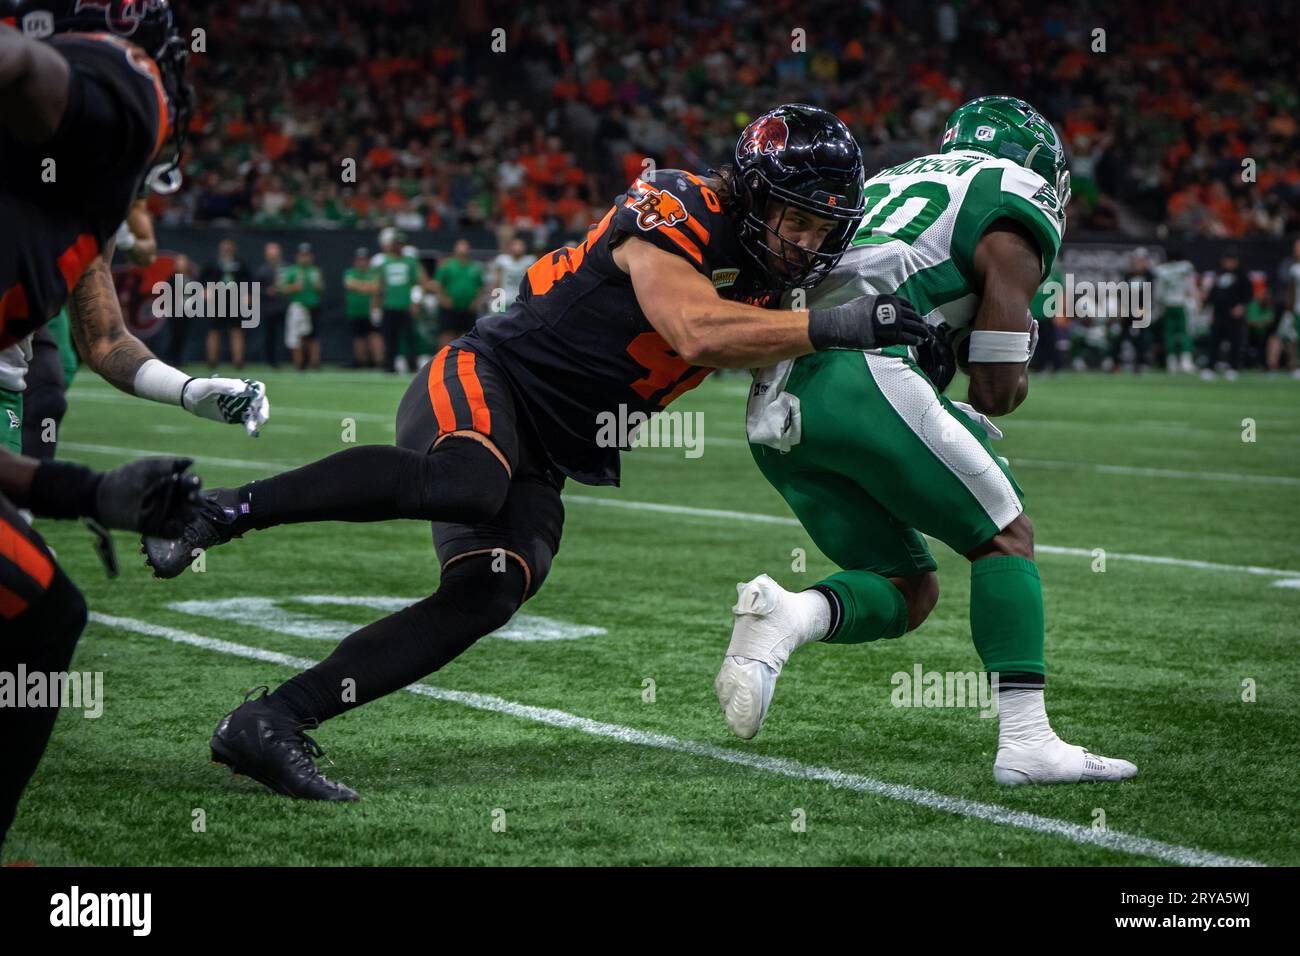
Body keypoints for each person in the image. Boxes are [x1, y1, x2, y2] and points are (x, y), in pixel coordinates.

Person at [143, 104, 931, 801]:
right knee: (466, 481)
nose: (807, 242)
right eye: (795, 219)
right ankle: (217, 511)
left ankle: (270, 720)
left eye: (825, 229)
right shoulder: (680, 201)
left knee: (492, 588)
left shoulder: (772, 282)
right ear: (754, 194)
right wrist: (845, 322)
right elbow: (695, 330)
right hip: (491, 377)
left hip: (548, 448)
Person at [715, 96, 1136, 786]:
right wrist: (1012, 345)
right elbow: (996, 389)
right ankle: (1027, 742)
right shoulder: (1012, 194)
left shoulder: (889, 180)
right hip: (862, 371)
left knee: (909, 587)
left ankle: (783, 619)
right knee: (1003, 532)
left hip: (776, 399)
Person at [0, 0, 266, 848]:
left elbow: (106, 338)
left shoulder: (71, 203)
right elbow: (21, 64)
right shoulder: (123, 88)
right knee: (35, 611)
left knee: (35, 607)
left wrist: (192, 393)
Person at [376, 228, 428, 373]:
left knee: (410, 337)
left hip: (406, 305)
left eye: (400, 243)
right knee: (389, 338)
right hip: (389, 304)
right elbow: (380, 285)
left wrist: (416, 301)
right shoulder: (384, 261)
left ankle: (412, 365)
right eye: (396, 243)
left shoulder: (410, 261)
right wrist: (376, 306)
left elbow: (418, 282)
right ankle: (389, 366)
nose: (398, 246)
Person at [202, 238, 251, 371]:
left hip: (235, 300)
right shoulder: (213, 262)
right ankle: (212, 361)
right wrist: (205, 290)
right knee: (214, 331)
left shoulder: (240, 263)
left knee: (236, 331)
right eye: (224, 246)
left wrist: (248, 295)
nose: (227, 249)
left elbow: (248, 280)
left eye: (229, 246)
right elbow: (203, 279)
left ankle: (238, 361)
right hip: (216, 300)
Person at [1204, 249, 1251, 380]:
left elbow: (1248, 293)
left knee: (1235, 341)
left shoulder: (1242, 276)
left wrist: (1241, 306)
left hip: (1234, 314)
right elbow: (1212, 295)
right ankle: (1210, 367)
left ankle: (1233, 367)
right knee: (1214, 341)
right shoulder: (1218, 275)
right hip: (1219, 313)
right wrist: (1210, 310)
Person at [1152, 245, 1199, 373]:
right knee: (1185, 333)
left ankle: (1171, 362)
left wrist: (1158, 306)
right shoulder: (1185, 267)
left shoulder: (1161, 270)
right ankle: (1185, 361)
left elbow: (1158, 292)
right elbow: (1191, 287)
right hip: (1182, 304)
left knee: (1169, 335)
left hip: (1168, 304)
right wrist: (1196, 301)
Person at [433, 238, 485, 348]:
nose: (462, 249)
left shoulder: (475, 267)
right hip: (449, 307)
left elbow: (481, 287)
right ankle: (443, 361)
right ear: (455, 249)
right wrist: (443, 299)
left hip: (468, 308)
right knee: (446, 335)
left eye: (465, 246)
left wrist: (476, 302)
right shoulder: (447, 265)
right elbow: (437, 285)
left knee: (468, 336)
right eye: (460, 246)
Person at [281, 242, 323, 371]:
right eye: (302, 255)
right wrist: (294, 287)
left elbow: (321, 288)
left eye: (307, 255)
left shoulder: (314, 270)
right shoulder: (292, 270)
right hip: (298, 307)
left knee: (313, 336)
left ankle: (314, 363)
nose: (305, 258)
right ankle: (299, 363)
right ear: (298, 256)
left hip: (312, 306)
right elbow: (283, 289)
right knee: (297, 336)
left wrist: (317, 286)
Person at [343, 247, 383, 368]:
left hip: (371, 310)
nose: (362, 262)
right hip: (355, 311)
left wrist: (359, 286)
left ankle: (379, 362)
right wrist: (367, 287)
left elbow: (376, 287)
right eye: (360, 260)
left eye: (364, 260)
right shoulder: (350, 272)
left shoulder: (373, 272)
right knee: (358, 337)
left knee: (374, 335)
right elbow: (349, 284)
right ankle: (361, 361)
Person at [253, 242, 288, 368]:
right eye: (270, 253)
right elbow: (255, 288)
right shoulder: (262, 270)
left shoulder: (286, 268)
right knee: (270, 335)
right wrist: (266, 291)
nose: (272, 256)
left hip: (284, 305)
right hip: (269, 307)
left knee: (285, 334)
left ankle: (284, 358)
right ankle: (270, 359)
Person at [490, 235, 533, 314]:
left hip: (521, 300)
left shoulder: (530, 261)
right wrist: (495, 298)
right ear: (509, 247)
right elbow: (497, 280)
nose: (517, 247)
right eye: (515, 244)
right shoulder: (502, 260)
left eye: (520, 245)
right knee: (500, 322)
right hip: (504, 299)